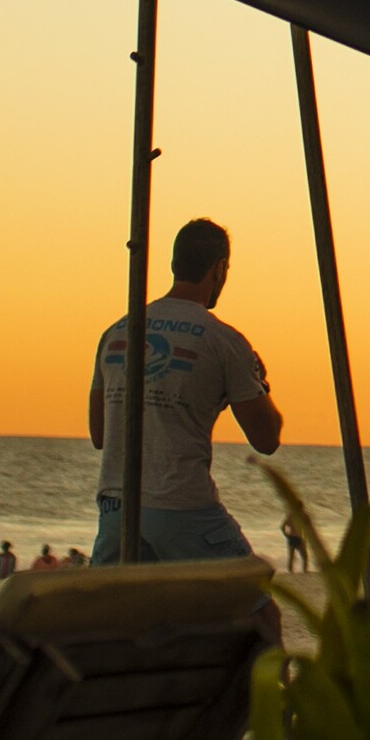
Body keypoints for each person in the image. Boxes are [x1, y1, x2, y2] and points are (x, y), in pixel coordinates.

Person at [86, 217, 284, 565]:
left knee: (120, 610)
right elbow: (266, 439)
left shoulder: (116, 332)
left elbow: (100, 434)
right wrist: (259, 384)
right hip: (181, 505)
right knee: (253, 594)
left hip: (117, 504)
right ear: (219, 269)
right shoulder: (223, 340)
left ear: (174, 263)